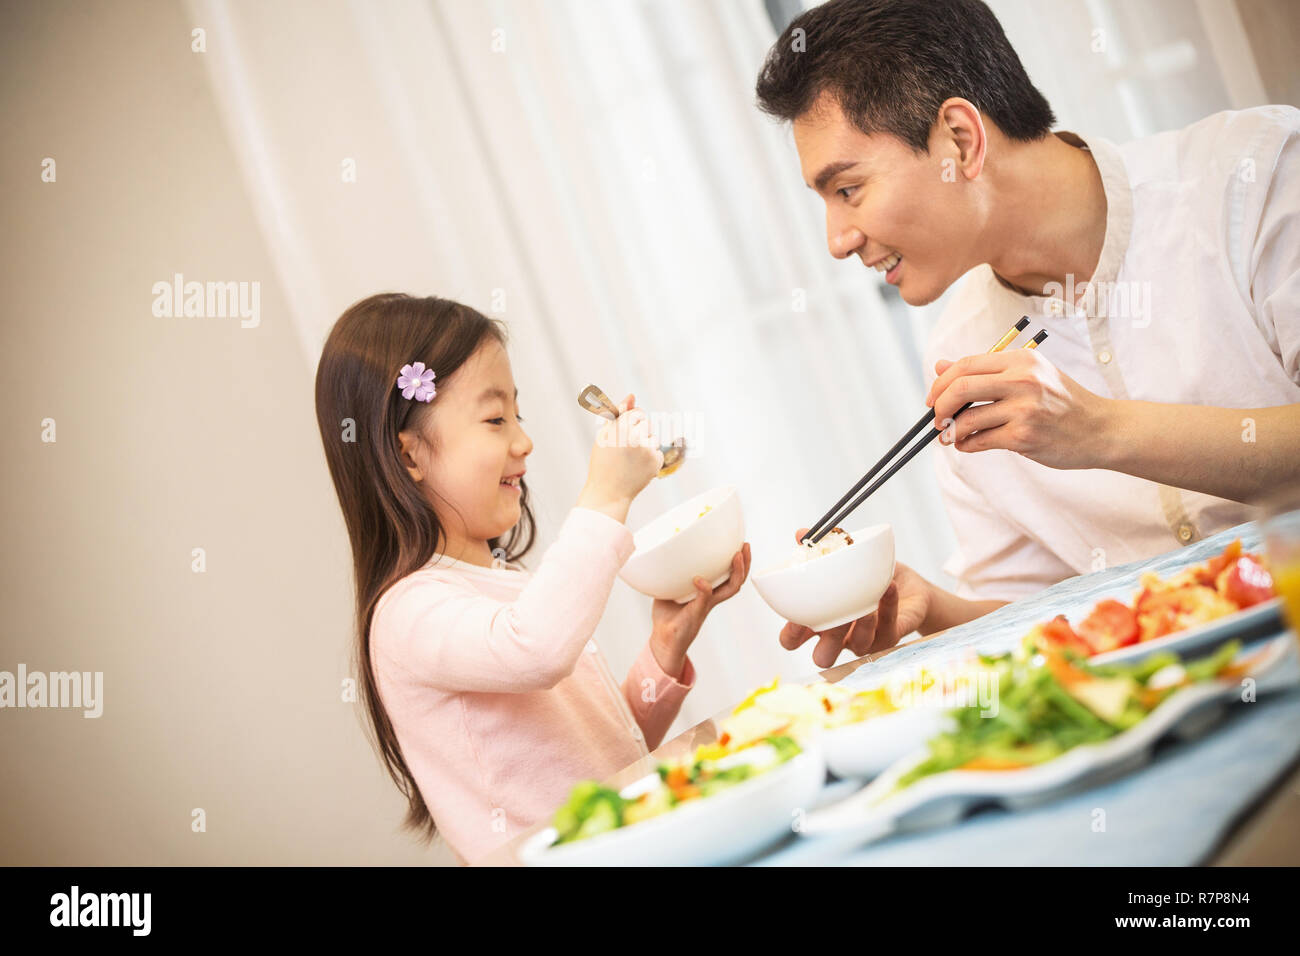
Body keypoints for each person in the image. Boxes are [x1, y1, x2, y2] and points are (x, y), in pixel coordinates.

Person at [754, 0, 1300, 668]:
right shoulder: (961, 358)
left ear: (960, 138)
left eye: (848, 189)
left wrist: (1097, 432)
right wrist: (935, 607)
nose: (837, 242)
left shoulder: (1257, 175)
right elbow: (1043, 613)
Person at [313, 293, 750, 863]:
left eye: (518, 415)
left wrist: (665, 649)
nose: (524, 441)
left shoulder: (506, 585)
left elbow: (610, 760)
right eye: (496, 419)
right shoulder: (406, 614)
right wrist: (608, 494)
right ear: (410, 456)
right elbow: (538, 647)